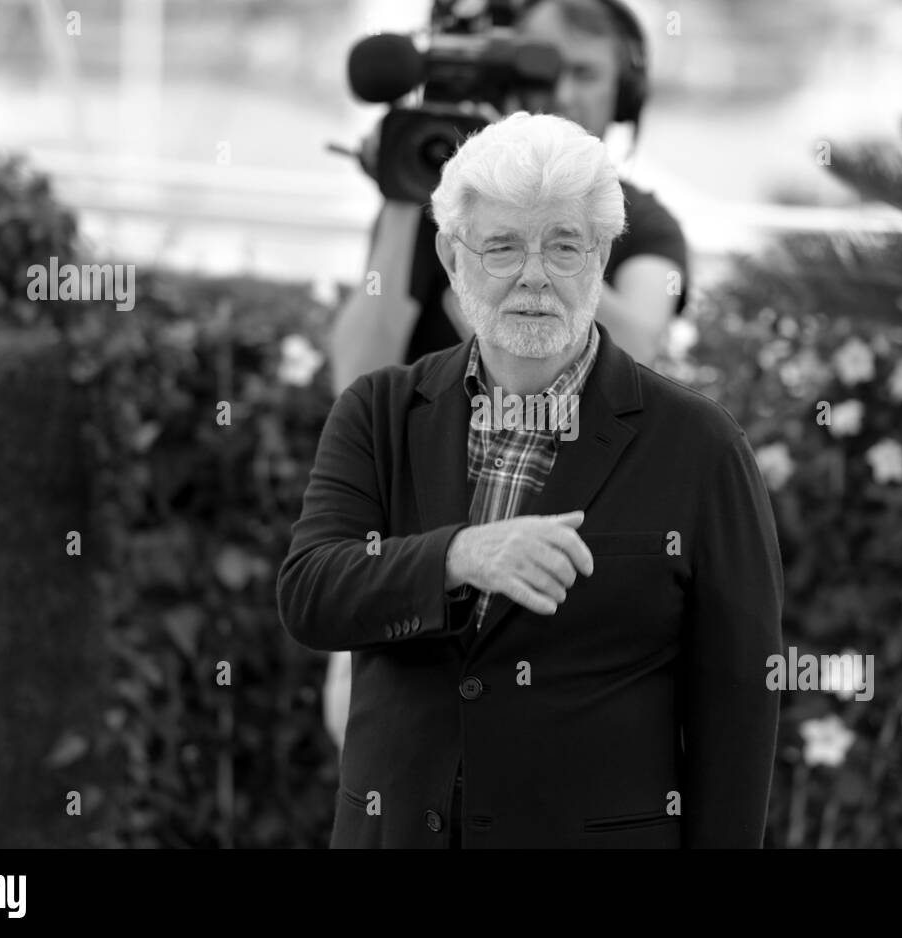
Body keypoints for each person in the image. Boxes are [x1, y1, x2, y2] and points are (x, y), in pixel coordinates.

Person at [277, 112, 783, 848]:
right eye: (502, 245)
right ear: (452, 257)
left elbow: (739, 704)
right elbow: (312, 593)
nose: (534, 274)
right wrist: (459, 558)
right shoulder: (379, 412)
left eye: (565, 245)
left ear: (602, 255)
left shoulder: (701, 446)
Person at [321, 0, 691, 750]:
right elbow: (354, 371)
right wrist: (408, 195)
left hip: (567, 581)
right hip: (408, 568)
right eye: (539, 71)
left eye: (584, 72)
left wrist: (509, 267)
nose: (559, 92)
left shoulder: (644, 222)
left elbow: (640, 345)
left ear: (627, 93)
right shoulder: (446, 215)